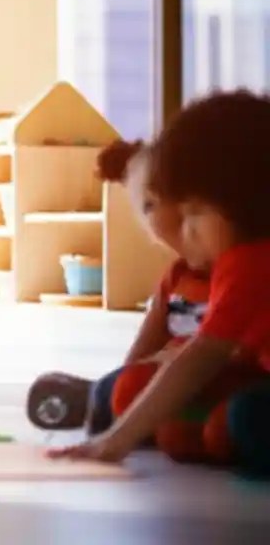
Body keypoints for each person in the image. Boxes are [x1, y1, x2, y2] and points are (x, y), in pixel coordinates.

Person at [51, 90, 270, 475]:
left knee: (246, 418)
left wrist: (116, 441)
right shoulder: (232, 263)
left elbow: (200, 358)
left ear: (245, 201)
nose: (184, 230)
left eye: (196, 212)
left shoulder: (249, 263)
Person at [83, 139, 210, 435]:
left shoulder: (241, 275)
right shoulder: (177, 277)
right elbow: (142, 350)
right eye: (149, 206)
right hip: (171, 380)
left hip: (217, 382)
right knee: (114, 390)